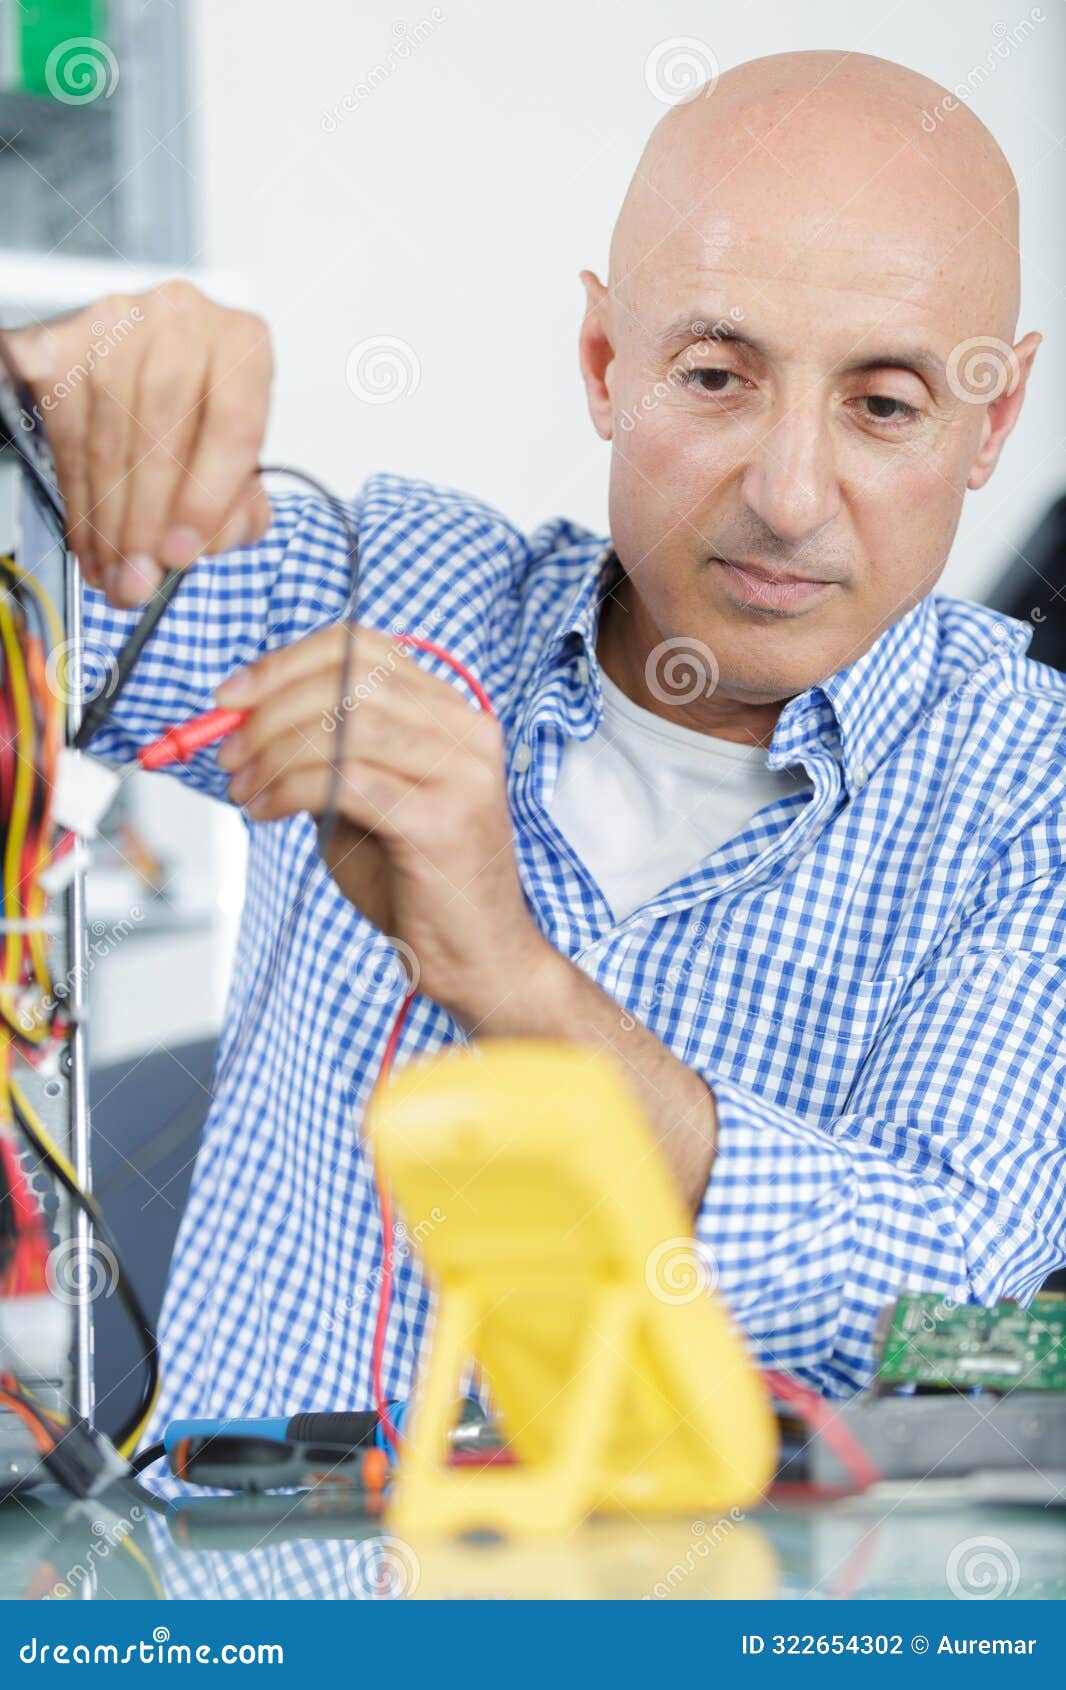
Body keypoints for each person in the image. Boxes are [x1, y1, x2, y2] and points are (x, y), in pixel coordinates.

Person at [9, 50, 1064, 1428]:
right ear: (602, 363)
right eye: (713, 375)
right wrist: (48, 397)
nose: (791, 494)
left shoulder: (1027, 791)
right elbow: (38, 587)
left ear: (989, 421)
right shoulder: (373, 594)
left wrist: (508, 975)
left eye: (881, 404)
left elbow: (952, 1304)